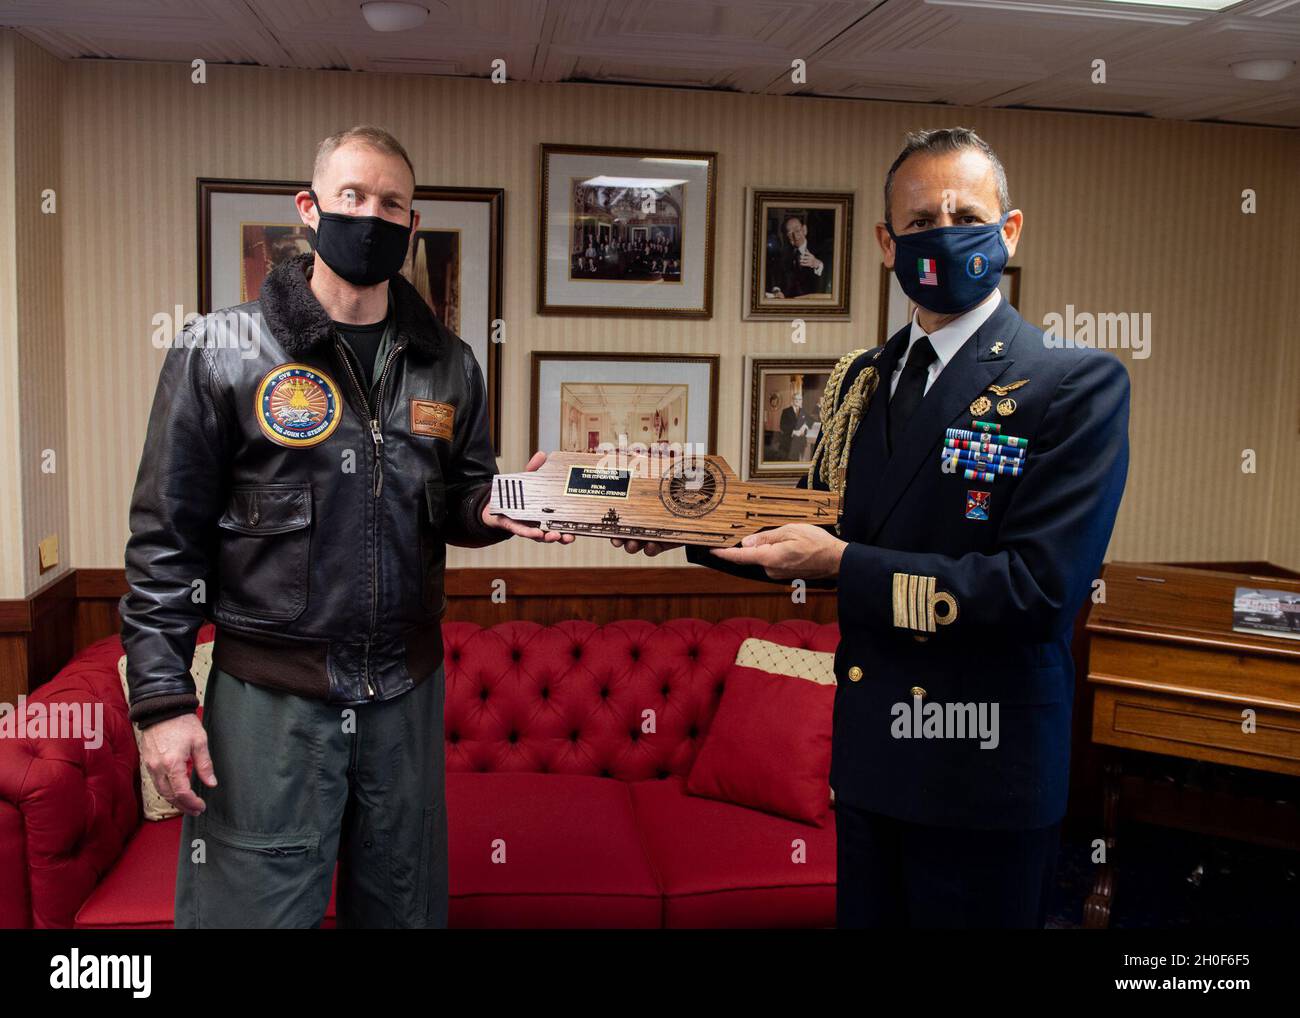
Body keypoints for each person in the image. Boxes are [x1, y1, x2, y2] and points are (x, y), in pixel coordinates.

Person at [614, 127, 1130, 928]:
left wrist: (843, 564)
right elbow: (815, 528)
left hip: (984, 774)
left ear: (1010, 230)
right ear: (888, 244)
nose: (945, 233)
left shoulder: (1073, 383)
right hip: (871, 768)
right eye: (921, 221)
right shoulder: (867, 378)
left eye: (966, 212)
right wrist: (674, 524)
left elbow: (1036, 593)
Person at [120, 124, 573, 929]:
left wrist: (505, 505)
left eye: (391, 203)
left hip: (404, 691)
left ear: (411, 224)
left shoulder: (449, 361)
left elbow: (459, 498)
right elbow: (165, 538)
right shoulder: (220, 349)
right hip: (270, 697)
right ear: (311, 207)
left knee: (404, 910)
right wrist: (161, 703)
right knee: (249, 915)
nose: (371, 216)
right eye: (353, 197)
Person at [768, 213, 833, 298]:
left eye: (797, 230)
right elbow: (777, 281)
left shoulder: (821, 249)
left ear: (804, 230)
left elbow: (828, 276)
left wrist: (817, 264)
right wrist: (777, 291)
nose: (795, 236)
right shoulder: (783, 255)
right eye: (790, 233)